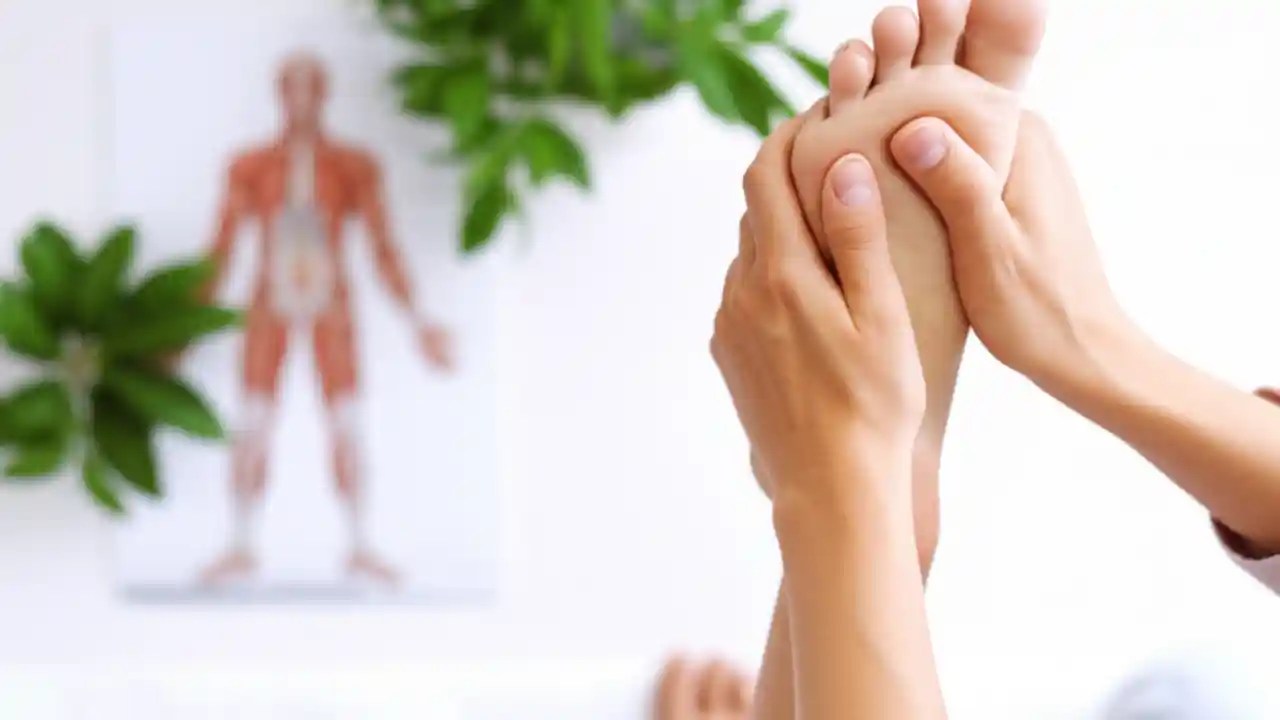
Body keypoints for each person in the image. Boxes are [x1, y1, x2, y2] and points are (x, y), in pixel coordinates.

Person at [198, 53, 455, 588]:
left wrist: (418, 320)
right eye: (291, 89)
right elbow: (221, 248)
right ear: (279, 96)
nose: (300, 101)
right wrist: (185, 319)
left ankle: (359, 544)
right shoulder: (251, 165)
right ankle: (241, 543)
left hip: (330, 304)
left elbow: (383, 246)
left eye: (310, 89)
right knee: (253, 423)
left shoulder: (352, 166)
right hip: (270, 302)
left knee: (346, 424)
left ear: (324, 95)